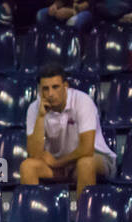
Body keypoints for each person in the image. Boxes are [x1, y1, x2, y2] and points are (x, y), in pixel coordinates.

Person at [20, 63, 117, 196]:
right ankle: (36, 215)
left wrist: (58, 163)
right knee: (27, 166)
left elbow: (87, 149)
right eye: (45, 89)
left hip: (94, 158)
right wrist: (41, 117)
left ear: (65, 86)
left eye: (55, 87)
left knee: (85, 163)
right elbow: (34, 153)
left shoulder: (83, 101)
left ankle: (83, 216)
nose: (50, 94)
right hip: (59, 166)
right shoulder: (34, 108)